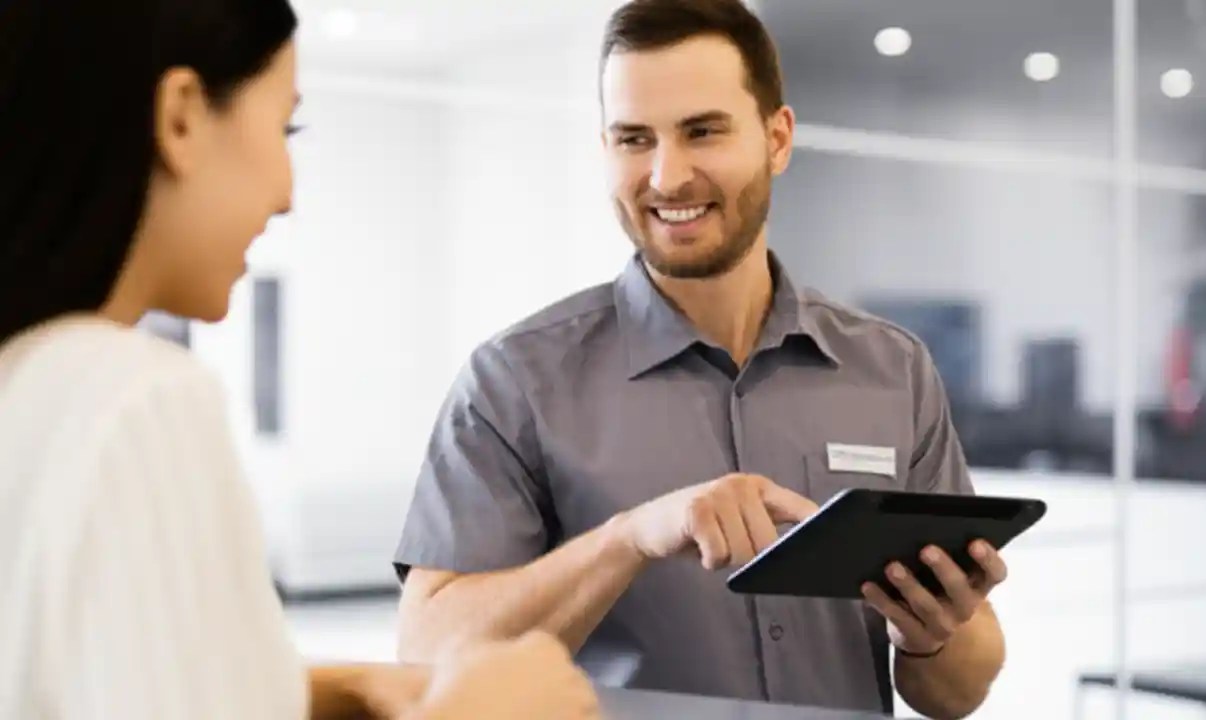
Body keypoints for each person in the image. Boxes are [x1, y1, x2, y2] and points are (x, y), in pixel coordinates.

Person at [393, 0, 1009, 718]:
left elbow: (956, 692)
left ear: (778, 139)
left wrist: (932, 639)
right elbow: (429, 656)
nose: (665, 176)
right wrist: (630, 538)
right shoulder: (514, 383)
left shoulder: (892, 371)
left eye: (702, 131)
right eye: (633, 139)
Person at [0, 1, 601, 719]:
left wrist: (302, 692)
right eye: (284, 127)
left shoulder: (29, 383)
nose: (286, 194)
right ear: (183, 116)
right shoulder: (132, 396)